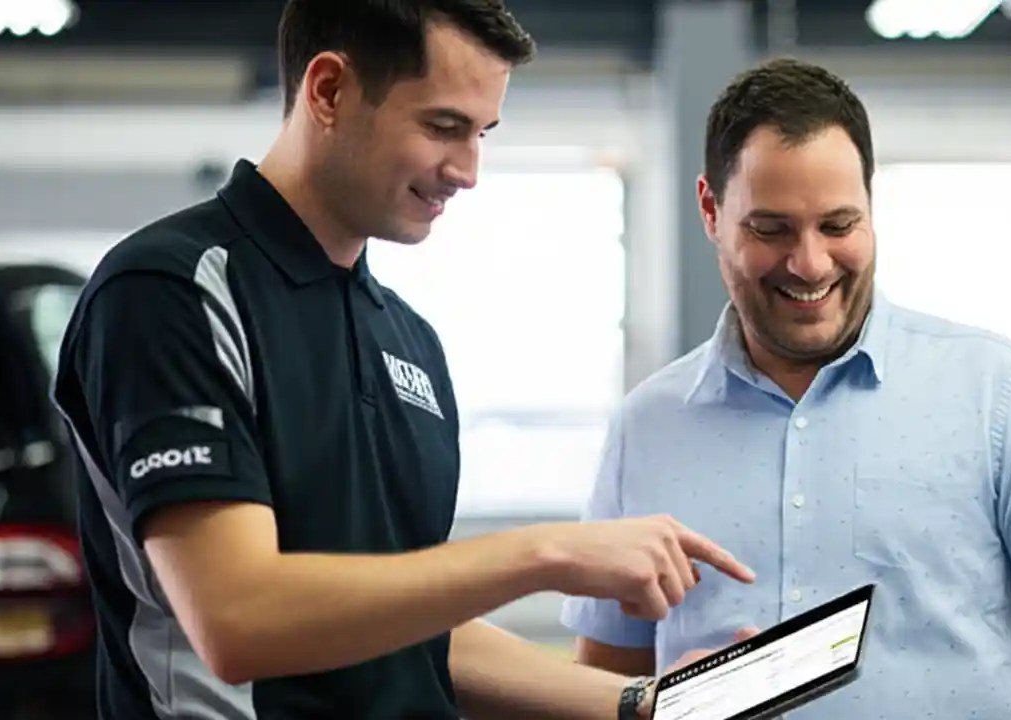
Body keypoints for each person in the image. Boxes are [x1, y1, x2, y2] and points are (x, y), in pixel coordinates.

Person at [49, 2, 755, 718]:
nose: (469, 171)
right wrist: (546, 554)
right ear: (328, 91)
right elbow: (238, 618)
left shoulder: (408, 342)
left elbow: (415, 633)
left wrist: (650, 702)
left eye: (482, 134)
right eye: (443, 127)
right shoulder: (173, 292)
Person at [562, 57, 1011, 719]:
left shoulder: (1001, 391)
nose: (810, 263)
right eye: (771, 229)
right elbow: (609, 684)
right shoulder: (648, 427)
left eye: (838, 226)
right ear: (710, 210)